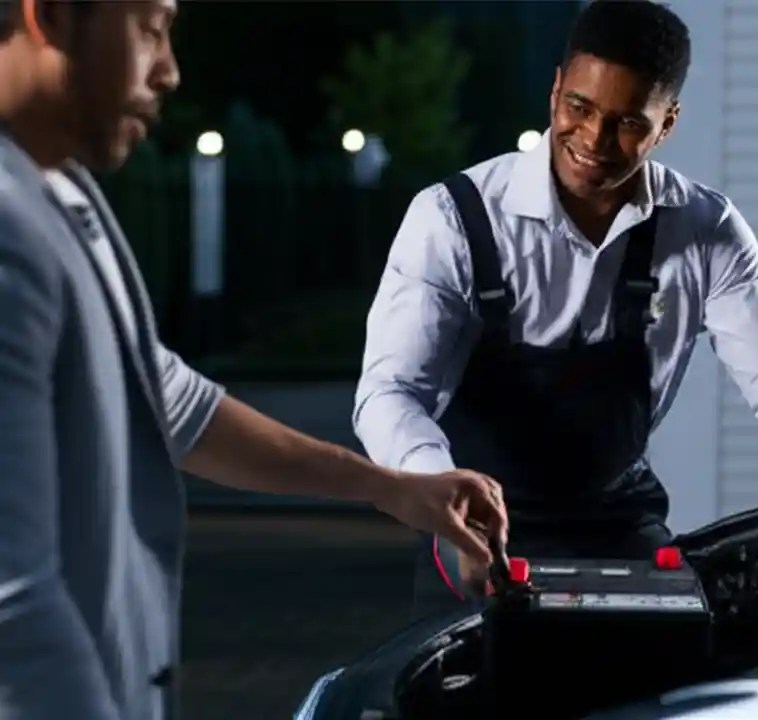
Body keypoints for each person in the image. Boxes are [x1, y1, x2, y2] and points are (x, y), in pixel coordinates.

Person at [0, 1, 507, 718]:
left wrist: (391, 487)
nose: (169, 71)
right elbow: (13, 607)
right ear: (50, 14)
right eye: (150, 29)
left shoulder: (62, 192)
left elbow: (175, 403)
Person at [355, 0, 758, 617]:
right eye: (579, 107)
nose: (594, 140)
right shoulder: (452, 219)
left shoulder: (705, 230)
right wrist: (444, 493)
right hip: (470, 528)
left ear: (667, 124)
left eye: (628, 123)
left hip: (617, 522)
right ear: (556, 90)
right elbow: (390, 392)